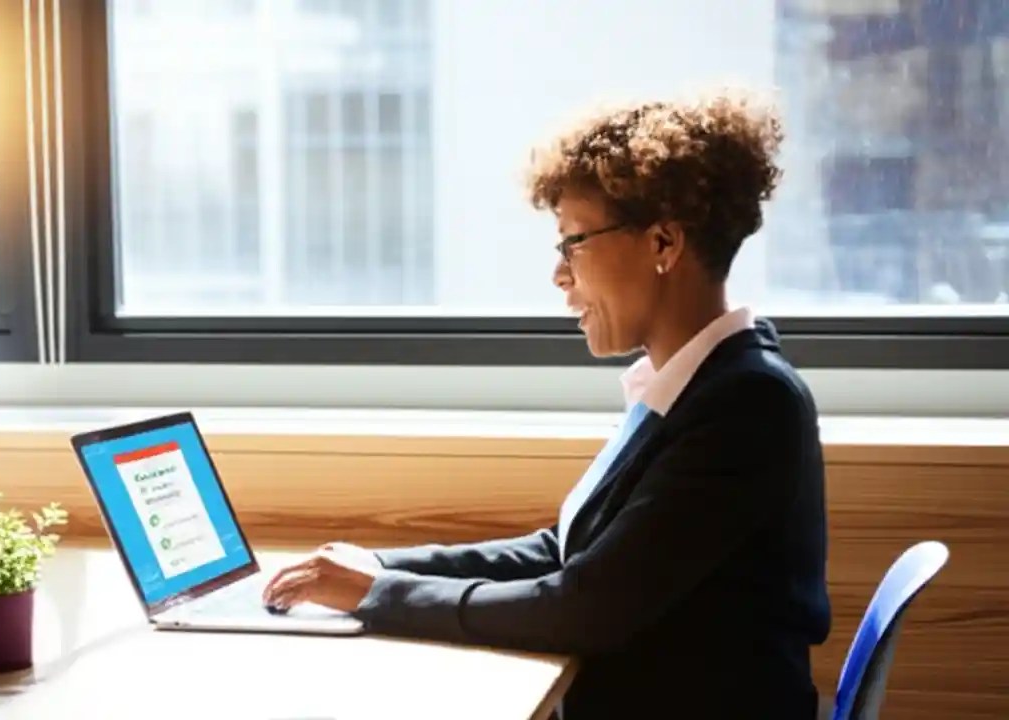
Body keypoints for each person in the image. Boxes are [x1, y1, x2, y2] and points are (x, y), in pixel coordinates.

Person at [262, 88, 831, 719]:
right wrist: (375, 568)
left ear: (663, 244)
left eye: (573, 242)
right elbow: (563, 552)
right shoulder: (691, 387)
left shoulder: (747, 405)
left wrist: (380, 594)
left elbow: (583, 608)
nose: (560, 274)